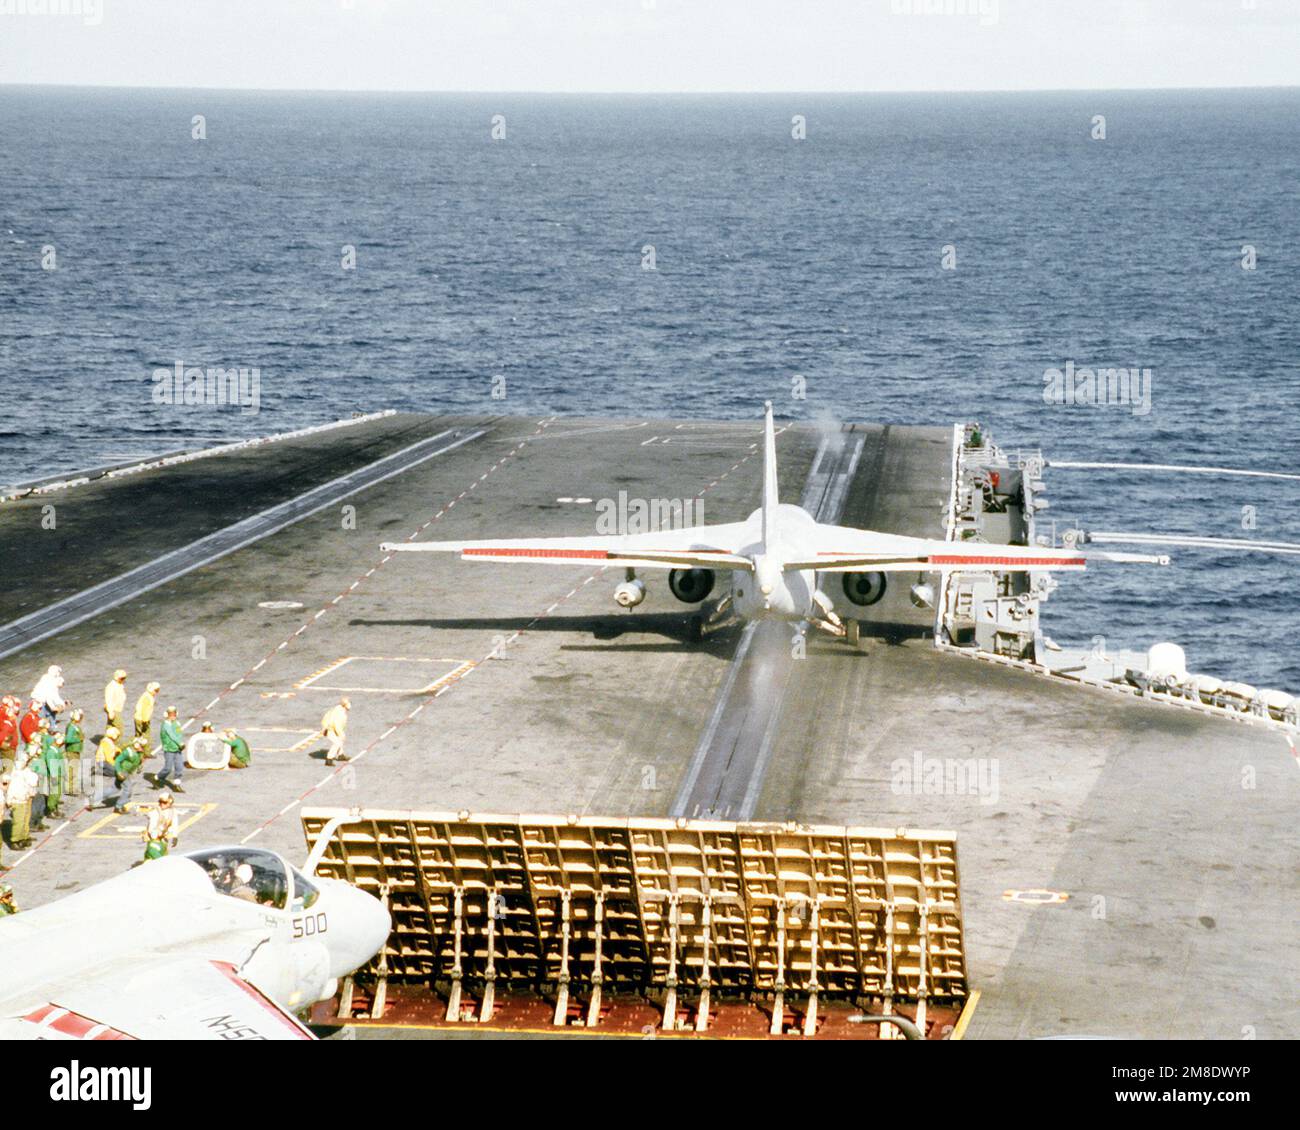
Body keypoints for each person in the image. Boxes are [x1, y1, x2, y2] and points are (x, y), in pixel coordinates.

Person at [108, 738, 149, 814]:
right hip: (123, 771)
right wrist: (119, 772)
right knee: (128, 789)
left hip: (127, 772)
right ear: (136, 745)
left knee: (114, 789)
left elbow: (137, 761)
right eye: (142, 746)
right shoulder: (128, 752)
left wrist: (139, 766)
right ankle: (118, 807)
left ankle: (95, 798)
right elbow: (117, 761)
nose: (143, 748)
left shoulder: (138, 752)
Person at [4, 755, 37, 849]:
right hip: (17, 800)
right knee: (18, 822)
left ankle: (22, 837)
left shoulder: (26, 772)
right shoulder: (15, 774)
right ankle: (15, 840)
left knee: (24, 820)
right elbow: (10, 789)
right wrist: (9, 800)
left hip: (24, 799)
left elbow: (31, 784)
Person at [156, 706, 186, 793]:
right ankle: (158, 777)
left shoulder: (177, 723)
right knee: (168, 768)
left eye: (174, 714)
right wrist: (180, 743)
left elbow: (179, 734)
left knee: (179, 767)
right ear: (167, 715)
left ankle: (177, 784)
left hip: (177, 749)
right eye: (170, 714)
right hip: (169, 749)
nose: (173, 716)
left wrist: (180, 744)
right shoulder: (166, 725)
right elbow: (172, 735)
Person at [142, 790, 179, 861]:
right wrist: (155, 834)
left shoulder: (172, 812)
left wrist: (175, 836)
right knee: (155, 858)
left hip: (163, 839)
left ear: (170, 803)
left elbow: (175, 824)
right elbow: (151, 827)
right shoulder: (155, 812)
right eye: (160, 802)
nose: (161, 804)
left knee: (163, 854)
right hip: (154, 839)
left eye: (164, 803)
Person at [319, 697, 351, 763]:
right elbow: (337, 725)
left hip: (331, 728)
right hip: (330, 729)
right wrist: (341, 734)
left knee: (340, 740)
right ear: (345, 705)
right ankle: (329, 759)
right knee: (337, 743)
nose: (350, 704)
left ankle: (340, 755)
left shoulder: (339, 708)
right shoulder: (340, 714)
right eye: (348, 703)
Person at [63, 709, 85, 796]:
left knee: (74, 770)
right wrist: (78, 739)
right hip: (72, 750)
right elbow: (68, 739)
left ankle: (72, 788)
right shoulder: (71, 727)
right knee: (72, 770)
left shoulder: (74, 725)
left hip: (75, 750)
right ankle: (70, 789)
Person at [133, 681, 160, 745]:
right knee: (143, 736)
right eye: (156, 690)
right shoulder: (147, 697)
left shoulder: (148, 695)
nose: (156, 692)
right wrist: (145, 720)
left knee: (141, 736)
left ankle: (141, 746)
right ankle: (141, 748)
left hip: (141, 718)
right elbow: (144, 709)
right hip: (141, 719)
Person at [103, 669, 127, 734]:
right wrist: (110, 712)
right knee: (119, 728)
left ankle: (107, 742)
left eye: (124, 678)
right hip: (113, 709)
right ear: (116, 678)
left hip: (117, 709)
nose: (123, 680)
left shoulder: (119, 685)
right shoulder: (111, 687)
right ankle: (116, 743)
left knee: (110, 726)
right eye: (122, 678)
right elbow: (108, 700)